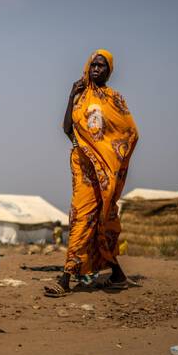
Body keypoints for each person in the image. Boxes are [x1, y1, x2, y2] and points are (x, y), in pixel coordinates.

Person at [45, 50, 138, 298]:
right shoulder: (80, 96)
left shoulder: (114, 99)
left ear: (109, 71)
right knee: (80, 215)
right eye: (93, 65)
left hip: (105, 169)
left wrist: (110, 157)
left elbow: (129, 132)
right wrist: (70, 96)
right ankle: (66, 277)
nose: (96, 69)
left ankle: (117, 274)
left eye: (102, 66)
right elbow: (67, 129)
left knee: (103, 219)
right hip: (83, 166)